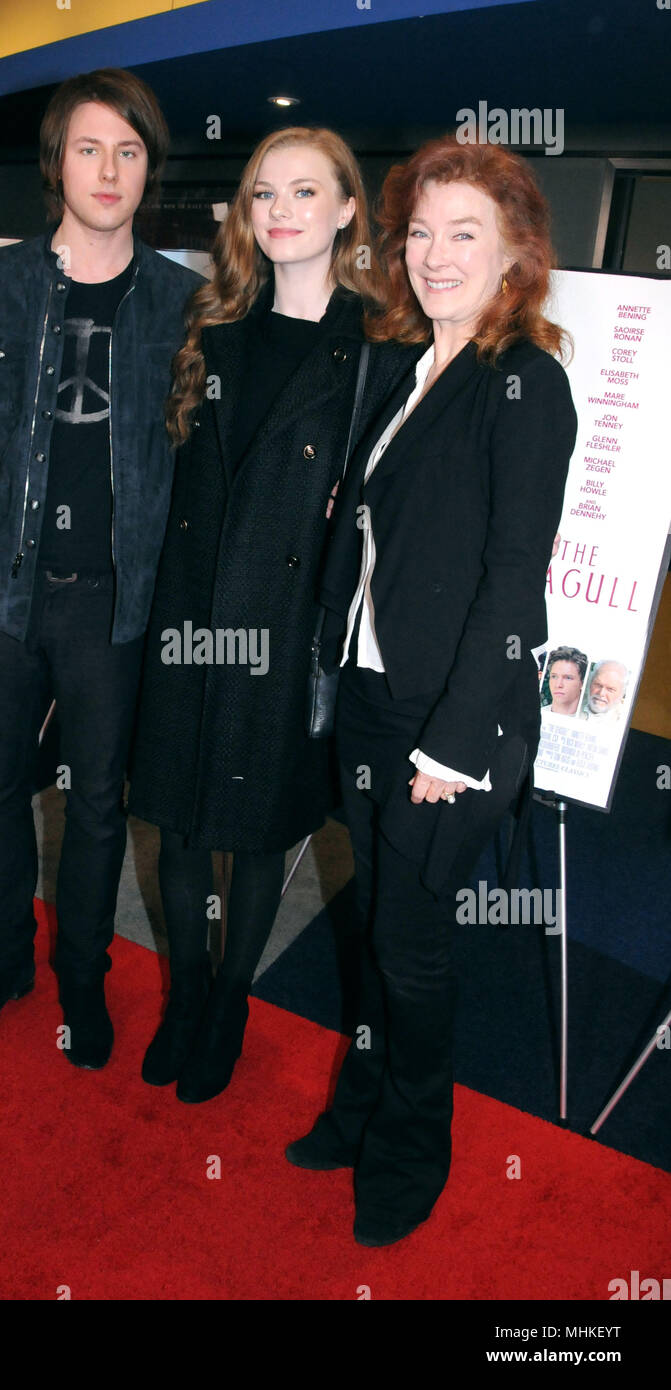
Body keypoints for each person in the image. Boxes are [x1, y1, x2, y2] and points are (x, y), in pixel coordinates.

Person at [285, 135, 577, 1247]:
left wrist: (451, 750)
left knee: (409, 952)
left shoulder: (523, 380)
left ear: (513, 255)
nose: (434, 253)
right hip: (371, 697)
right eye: (419, 231)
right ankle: (359, 1104)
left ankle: (412, 1148)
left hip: (452, 725)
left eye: (465, 233)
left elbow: (513, 580)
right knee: (367, 934)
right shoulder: (414, 371)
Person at [0, 68, 202, 1066]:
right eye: (89, 148)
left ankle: (83, 971)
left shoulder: (183, 302)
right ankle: (4, 962)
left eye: (128, 151)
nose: (109, 168)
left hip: (114, 606)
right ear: (56, 164)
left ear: (147, 169)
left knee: (95, 805)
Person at [128, 127, 421, 1104]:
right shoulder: (211, 320)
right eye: (263, 192)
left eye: (305, 190)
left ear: (347, 210)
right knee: (172, 824)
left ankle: (230, 1001)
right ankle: (185, 993)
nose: (281, 208)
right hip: (187, 609)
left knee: (254, 835)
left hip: (285, 621)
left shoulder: (380, 346)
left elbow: (396, 496)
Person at [541, 646, 587, 716]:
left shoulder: (592, 723)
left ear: (582, 683)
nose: (558, 685)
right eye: (554, 676)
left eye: (568, 678)